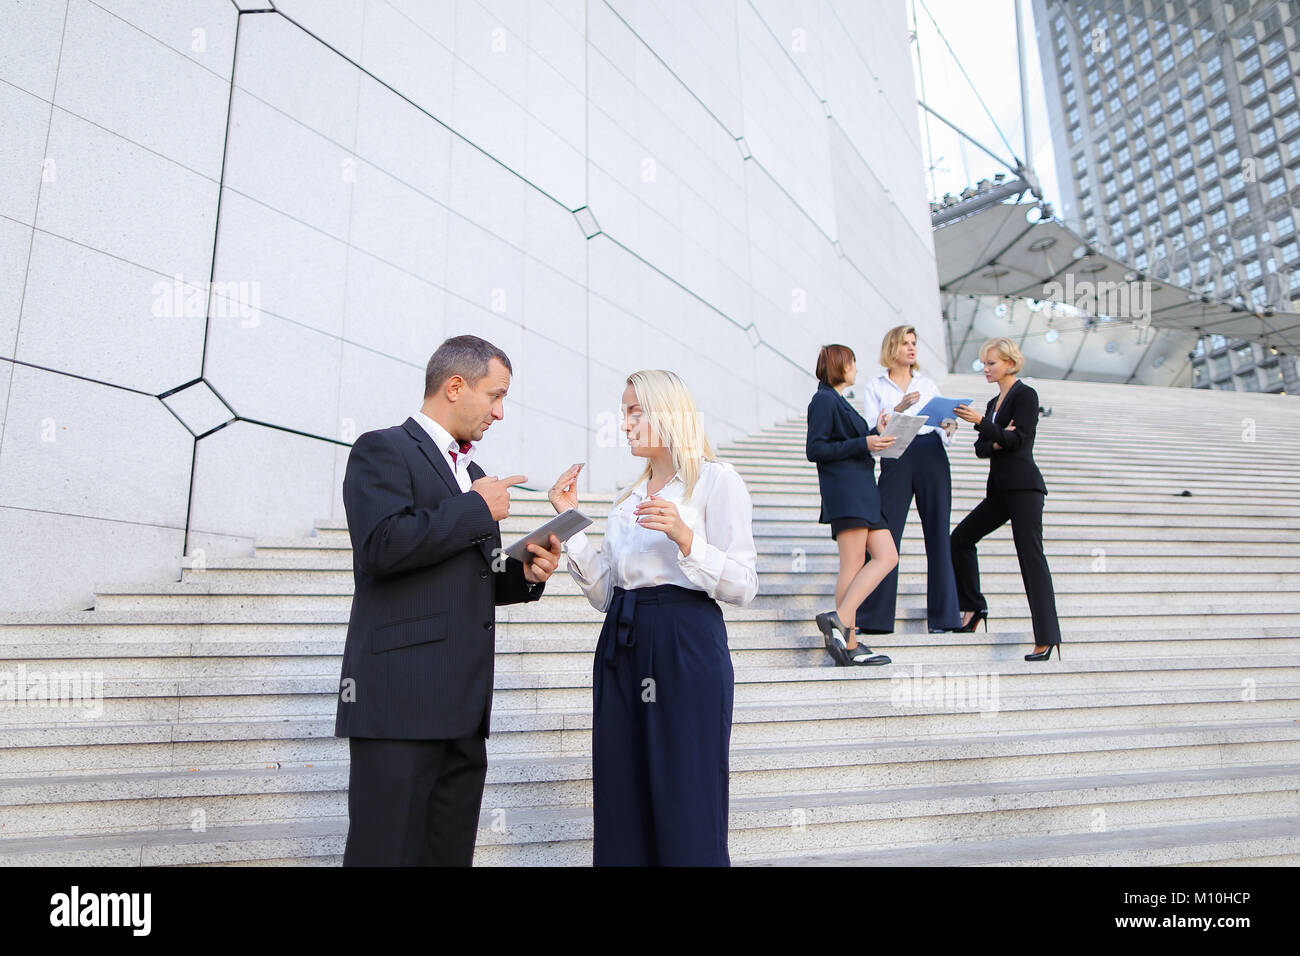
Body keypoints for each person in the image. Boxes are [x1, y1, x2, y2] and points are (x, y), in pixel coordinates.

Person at [335, 334, 563, 866]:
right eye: (496, 396)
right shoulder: (381, 449)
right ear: (455, 386)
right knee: (383, 855)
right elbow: (381, 546)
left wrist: (524, 573)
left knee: (448, 856)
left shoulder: (474, 475)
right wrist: (477, 509)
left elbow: (472, 575)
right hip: (399, 703)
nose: (500, 413)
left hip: (463, 709)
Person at [548, 369, 757, 866]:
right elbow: (606, 593)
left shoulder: (717, 481)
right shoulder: (627, 500)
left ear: (667, 413)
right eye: (624, 412)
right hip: (621, 641)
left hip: (685, 640)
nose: (624, 424)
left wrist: (687, 539)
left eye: (634, 412)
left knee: (687, 790)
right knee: (622, 791)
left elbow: (745, 585)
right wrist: (569, 524)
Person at [951, 337, 1062, 661]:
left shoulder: (1026, 395)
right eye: (984, 363)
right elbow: (981, 448)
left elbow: (1020, 440)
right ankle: (974, 608)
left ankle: (1047, 638)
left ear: (1010, 364)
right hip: (999, 491)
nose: (985, 369)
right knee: (960, 539)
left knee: (1031, 559)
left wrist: (984, 426)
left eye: (991, 363)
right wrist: (997, 435)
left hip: (1025, 488)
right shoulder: (991, 404)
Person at [857, 325, 963, 635]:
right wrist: (898, 409)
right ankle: (874, 619)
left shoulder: (927, 384)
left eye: (914, 343)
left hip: (931, 453)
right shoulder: (875, 386)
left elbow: (944, 425)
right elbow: (873, 430)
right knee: (885, 536)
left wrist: (949, 427)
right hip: (896, 455)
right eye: (905, 343)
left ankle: (945, 618)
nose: (912, 348)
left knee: (938, 535)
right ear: (892, 347)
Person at [805, 344, 898, 666]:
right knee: (853, 563)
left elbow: (848, 441)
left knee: (887, 556)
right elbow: (815, 449)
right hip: (846, 492)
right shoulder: (823, 400)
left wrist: (876, 434)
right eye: (853, 363)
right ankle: (850, 642)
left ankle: (841, 619)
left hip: (863, 491)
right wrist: (864, 442)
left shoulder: (838, 400)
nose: (856, 369)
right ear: (841, 366)